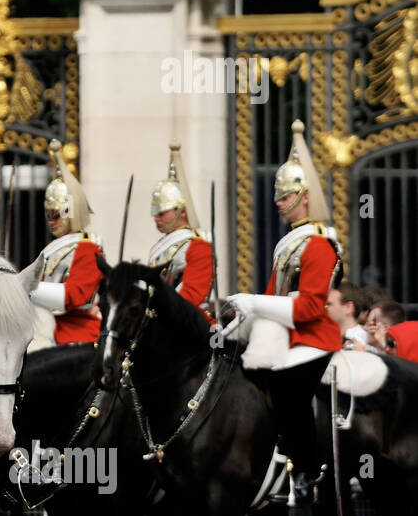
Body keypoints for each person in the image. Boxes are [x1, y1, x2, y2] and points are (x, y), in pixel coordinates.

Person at [226, 119, 340, 493]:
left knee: (287, 388)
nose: (277, 201)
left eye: (285, 195)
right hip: (290, 338)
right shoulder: (291, 242)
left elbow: (308, 309)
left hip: (314, 340)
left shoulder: (319, 244)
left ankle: (308, 468)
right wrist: (238, 316)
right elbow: (276, 298)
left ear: (305, 195)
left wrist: (256, 302)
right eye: (277, 195)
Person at [29, 139, 104, 344]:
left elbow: (74, 296)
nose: (51, 221)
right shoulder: (50, 249)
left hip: (76, 332)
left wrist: (25, 287)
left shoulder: (88, 248)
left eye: (57, 214)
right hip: (46, 326)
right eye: (48, 214)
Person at [146, 140, 213, 315]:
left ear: (182, 211)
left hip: (187, 319)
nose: (156, 217)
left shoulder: (197, 245)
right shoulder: (159, 247)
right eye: (155, 211)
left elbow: (192, 295)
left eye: (162, 211)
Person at [329, 281, 372, 349]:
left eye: (329, 304)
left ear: (348, 307)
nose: (324, 308)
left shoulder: (362, 339)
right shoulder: (329, 335)